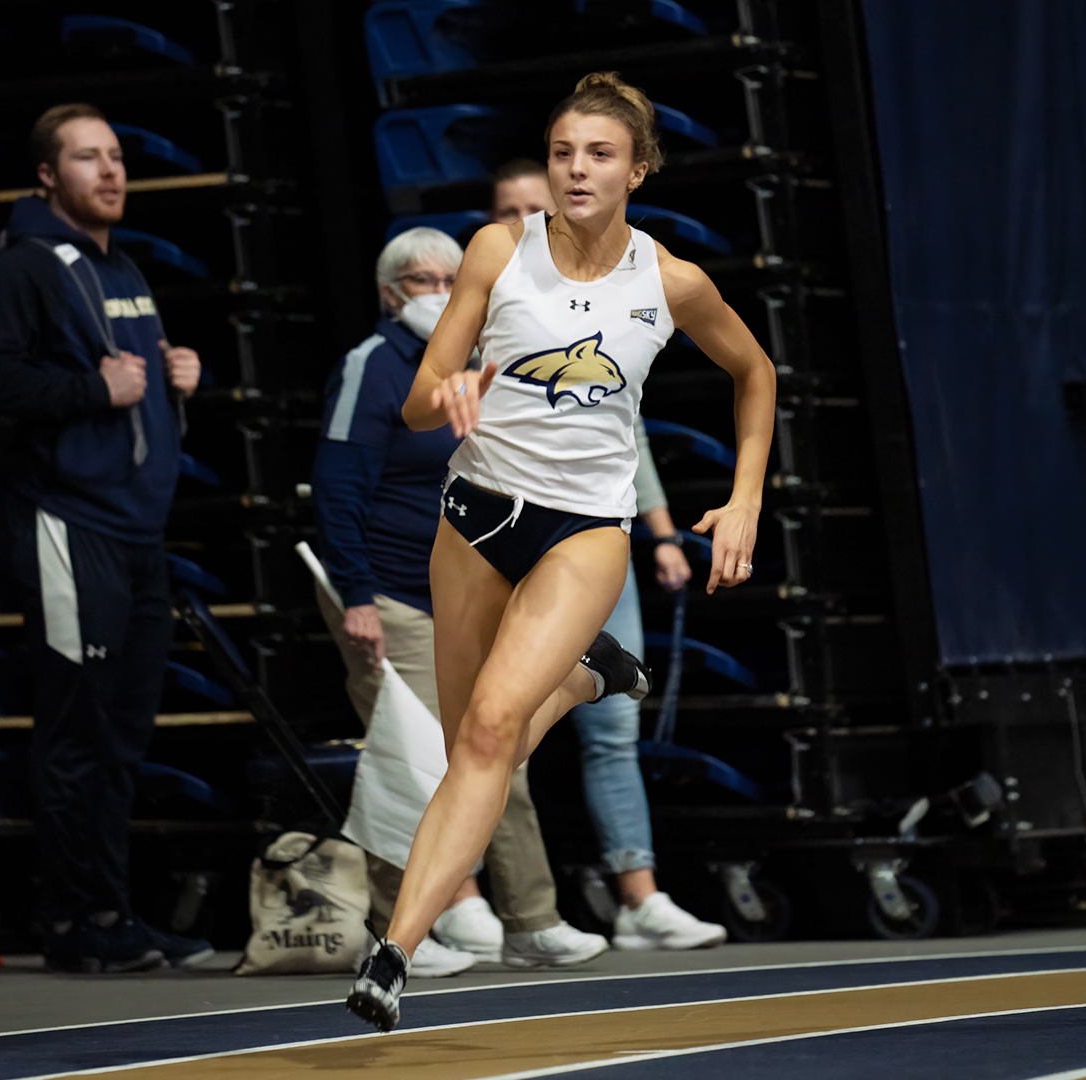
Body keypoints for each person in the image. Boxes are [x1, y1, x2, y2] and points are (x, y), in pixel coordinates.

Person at [346, 72, 775, 1031]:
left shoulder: (669, 282)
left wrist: (743, 499)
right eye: (562, 152)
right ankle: (585, 680)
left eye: (599, 154)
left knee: (496, 727)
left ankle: (393, 955)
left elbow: (757, 371)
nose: (576, 169)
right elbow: (420, 401)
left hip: (584, 532)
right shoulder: (499, 249)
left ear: (639, 169)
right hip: (474, 518)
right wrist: (447, 394)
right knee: (474, 751)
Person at [0, 103, 212, 974]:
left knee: (123, 735)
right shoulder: (18, 269)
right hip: (69, 525)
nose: (110, 172)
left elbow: (127, 383)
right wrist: (88, 390)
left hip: (138, 533)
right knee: (77, 729)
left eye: (116, 155)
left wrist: (179, 379)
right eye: (87, 158)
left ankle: (114, 911)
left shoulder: (122, 265)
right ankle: (71, 921)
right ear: (45, 177)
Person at [313, 227, 611, 976]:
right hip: (392, 593)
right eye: (420, 281)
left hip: (478, 592)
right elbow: (338, 488)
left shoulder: (493, 360)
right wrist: (356, 598)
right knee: (409, 762)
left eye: (452, 279)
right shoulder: (372, 367)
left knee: (496, 744)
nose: (439, 292)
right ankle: (400, 928)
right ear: (389, 294)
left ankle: (533, 920)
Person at [489, 145, 726, 951]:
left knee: (612, 721)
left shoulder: (611, 299)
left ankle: (637, 896)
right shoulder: (483, 303)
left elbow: (627, 436)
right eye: (515, 209)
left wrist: (660, 534)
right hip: (498, 541)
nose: (536, 218)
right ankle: (489, 906)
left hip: (594, 536)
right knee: (492, 720)